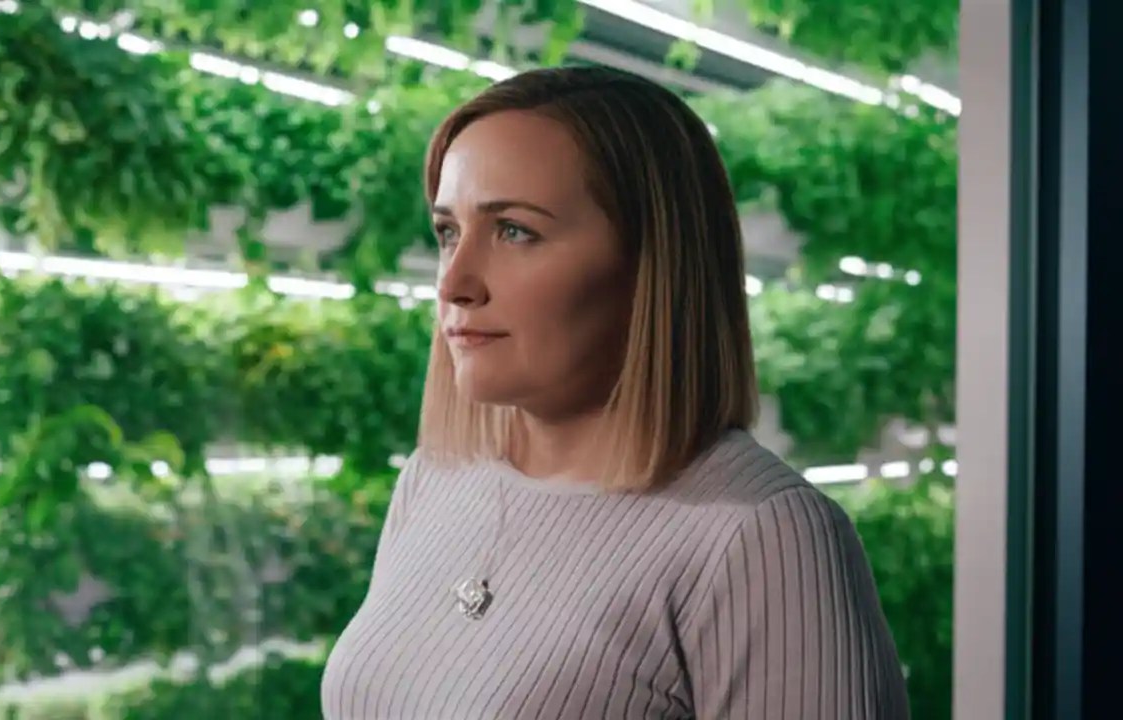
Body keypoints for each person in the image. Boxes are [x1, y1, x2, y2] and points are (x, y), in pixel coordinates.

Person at [321, 66, 908, 719]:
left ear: (653, 262)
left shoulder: (764, 537)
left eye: (514, 230)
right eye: (448, 233)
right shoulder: (432, 482)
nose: (455, 282)